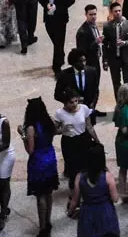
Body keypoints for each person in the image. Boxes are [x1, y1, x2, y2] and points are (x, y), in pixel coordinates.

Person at [19, 97, 59, 235]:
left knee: (40, 196)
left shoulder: (31, 128)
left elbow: (30, 150)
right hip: (51, 158)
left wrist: (23, 136)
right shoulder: (49, 122)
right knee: (49, 193)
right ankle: (48, 222)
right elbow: (57, 131)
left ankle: (42, 228)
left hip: (38, 162)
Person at [55, 88, 100, 196]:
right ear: (66, 102)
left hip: (83, 139)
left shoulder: (83, 108)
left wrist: (97, 140)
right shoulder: (59, 113)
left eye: (76, 101)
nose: (75, 104)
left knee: (86, 166)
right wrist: (62, 130)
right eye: (71, 102)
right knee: (72, 169)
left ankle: (86, 190)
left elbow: (89, 126)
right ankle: (74, 193)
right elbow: (54, 131)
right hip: (69, 142)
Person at [67, 144, 120, 237]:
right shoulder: (108, 177)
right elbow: (115, 198)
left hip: (87, 214)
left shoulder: (79, 177)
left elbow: (75, 201)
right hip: (106, 214)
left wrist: (70, 212)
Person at [36, 0, 75, 77]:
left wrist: (57, 7)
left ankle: (56, 66)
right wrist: (46, 4)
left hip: (61, 18)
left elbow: (71, 0)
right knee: (54, 39)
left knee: (58, 42)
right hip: (48, 17)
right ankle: (61, 54)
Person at [102, 2, 128, 98]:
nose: (118, 13)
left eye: (119, 11)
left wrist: (125, 43)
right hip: (114, 59)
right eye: (115, 11)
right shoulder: (107, 26)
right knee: (116, 83)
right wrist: (105, 60)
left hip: (127, 58)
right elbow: (105, 45)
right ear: (111, 12)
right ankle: (119, 104)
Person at [54, 49, 99, 124]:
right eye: (80, 61)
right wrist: (71, 102)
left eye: (84, 60)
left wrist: (92, 105)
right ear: (73, 62)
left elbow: (96, 91)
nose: (83, 63)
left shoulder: (92, 72)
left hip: (88, 113)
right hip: (72, 115)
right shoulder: (64, 75)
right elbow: (57, 95)